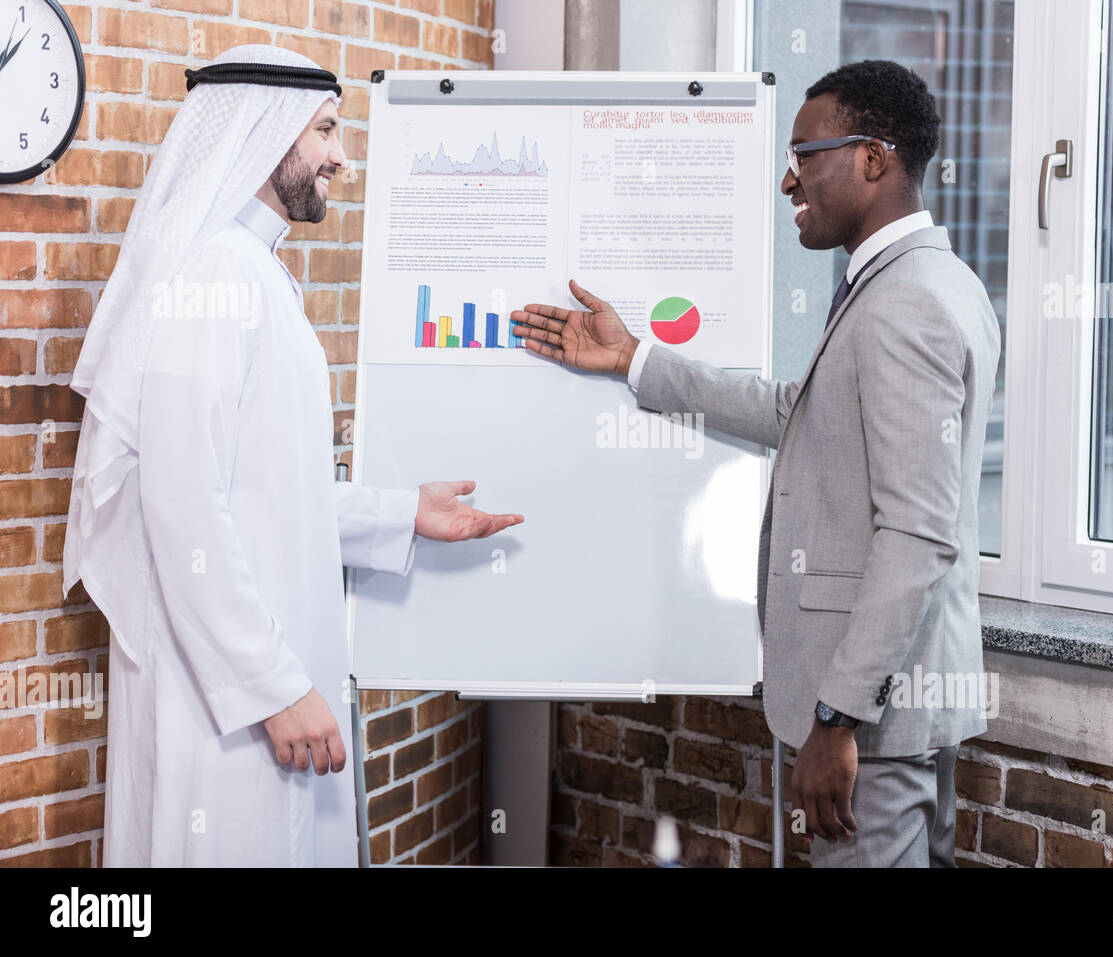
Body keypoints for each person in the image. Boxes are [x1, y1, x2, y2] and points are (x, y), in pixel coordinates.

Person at [511, 60, 999, 867]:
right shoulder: (930, 280)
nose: (788, 178)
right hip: (904, 705)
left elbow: (919, 533)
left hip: (869, 724)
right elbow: (796, 414)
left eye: (807, 154)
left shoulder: (905, 301)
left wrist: (837, 718)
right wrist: (637, 361)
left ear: (873, 158)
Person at [63, 45, 523, 867]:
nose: (341, 158)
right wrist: (269, 685)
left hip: (257, 680)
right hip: (225, 703)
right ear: (264, 133)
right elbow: (183, 506)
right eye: (325, 131)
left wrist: (399, 510)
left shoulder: (256, 275)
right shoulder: (211, 280)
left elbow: (268, 488)